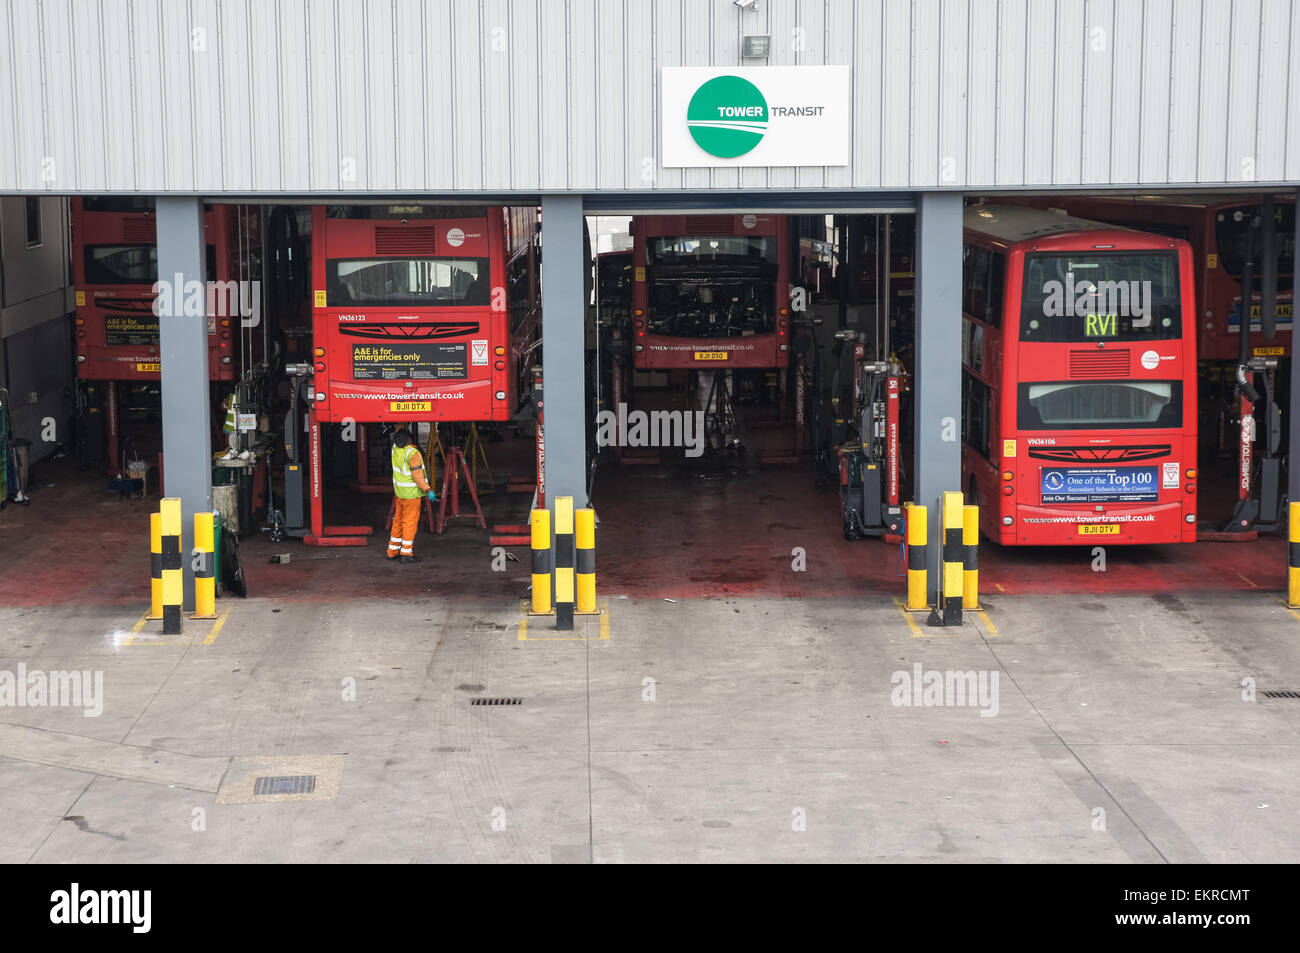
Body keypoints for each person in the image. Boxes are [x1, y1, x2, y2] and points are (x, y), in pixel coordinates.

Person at [389, 428, 437, 563]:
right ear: (409, 440)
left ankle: (392, 551)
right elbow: (417, 476)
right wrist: (428, 490)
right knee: (409, 523)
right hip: (411, 495)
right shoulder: (412, 453)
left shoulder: (395, 450)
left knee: (398, 520)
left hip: (400, 493)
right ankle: (406, 553)